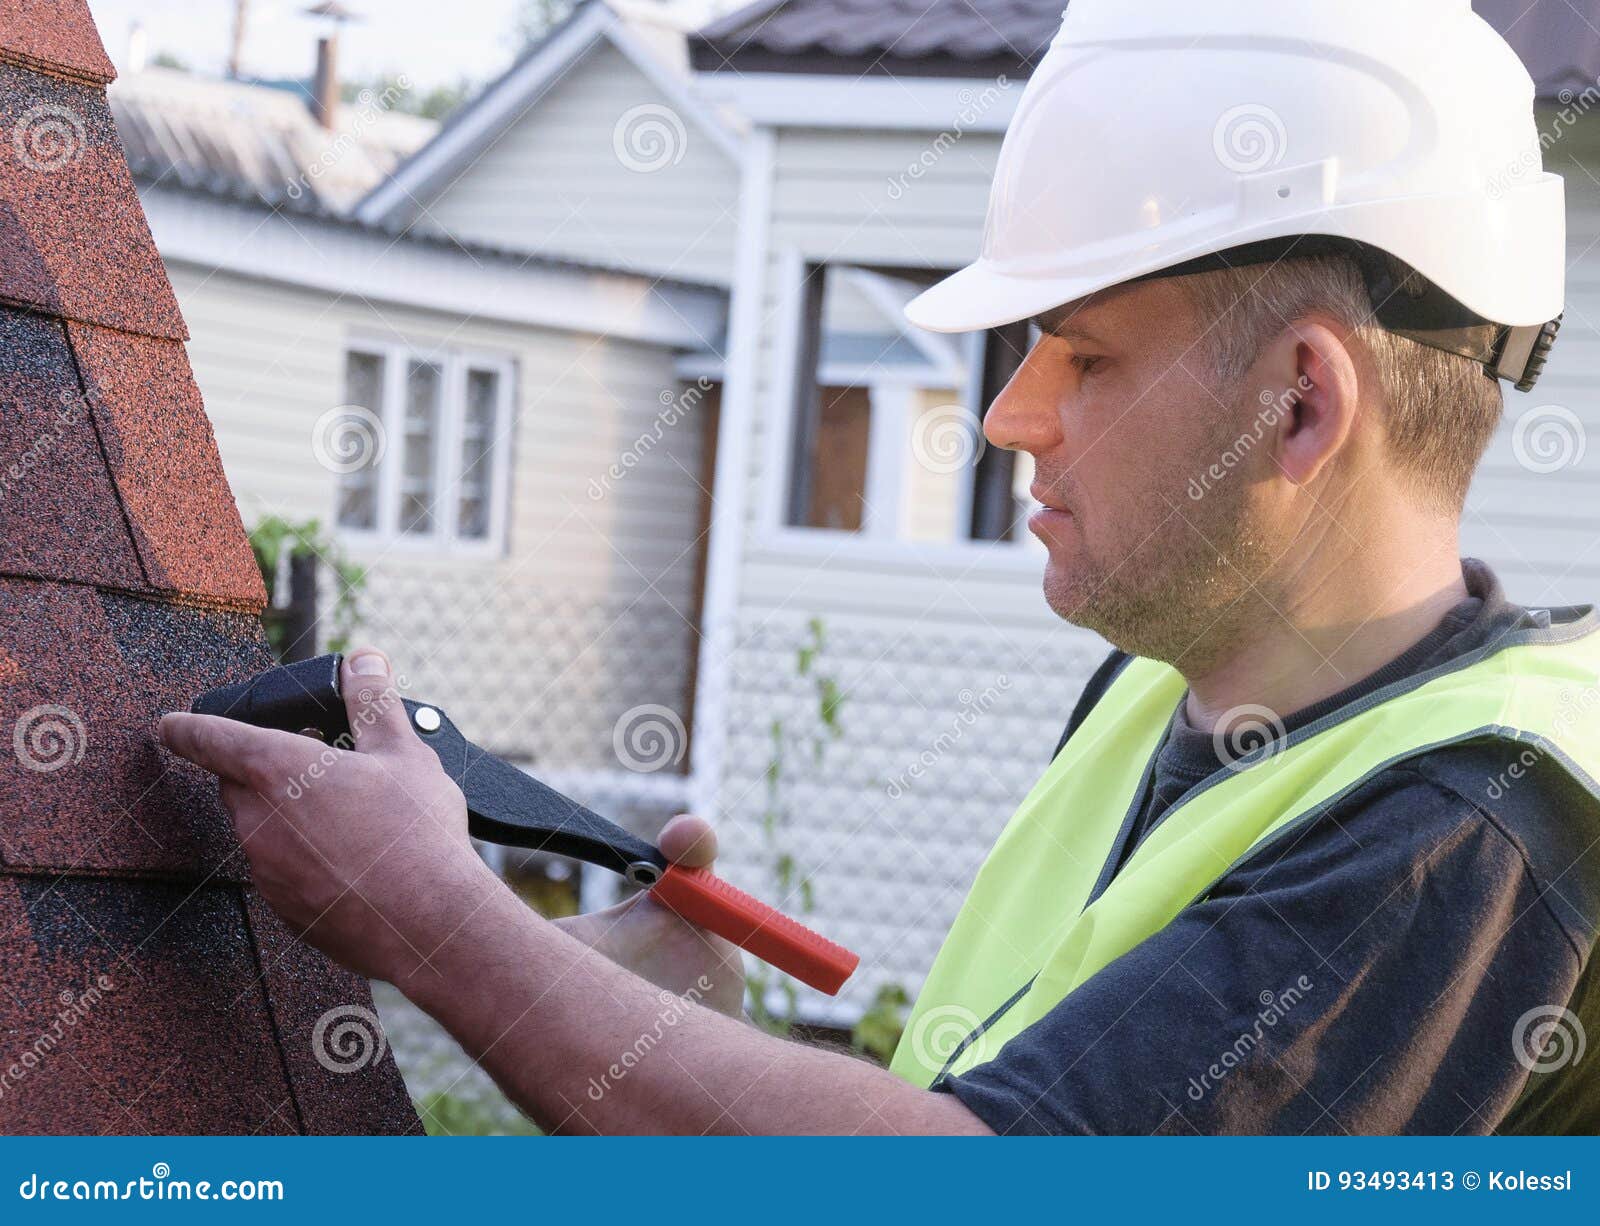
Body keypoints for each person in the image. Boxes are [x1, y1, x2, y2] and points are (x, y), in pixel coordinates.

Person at [160, 0, 1599, 1133]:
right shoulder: (1157, 698)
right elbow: (1002, 1114)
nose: (1007, 414)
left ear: (1298, 406)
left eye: (1085, 354)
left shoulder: (1482, 826)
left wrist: (440, 920)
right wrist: (692, 1043)